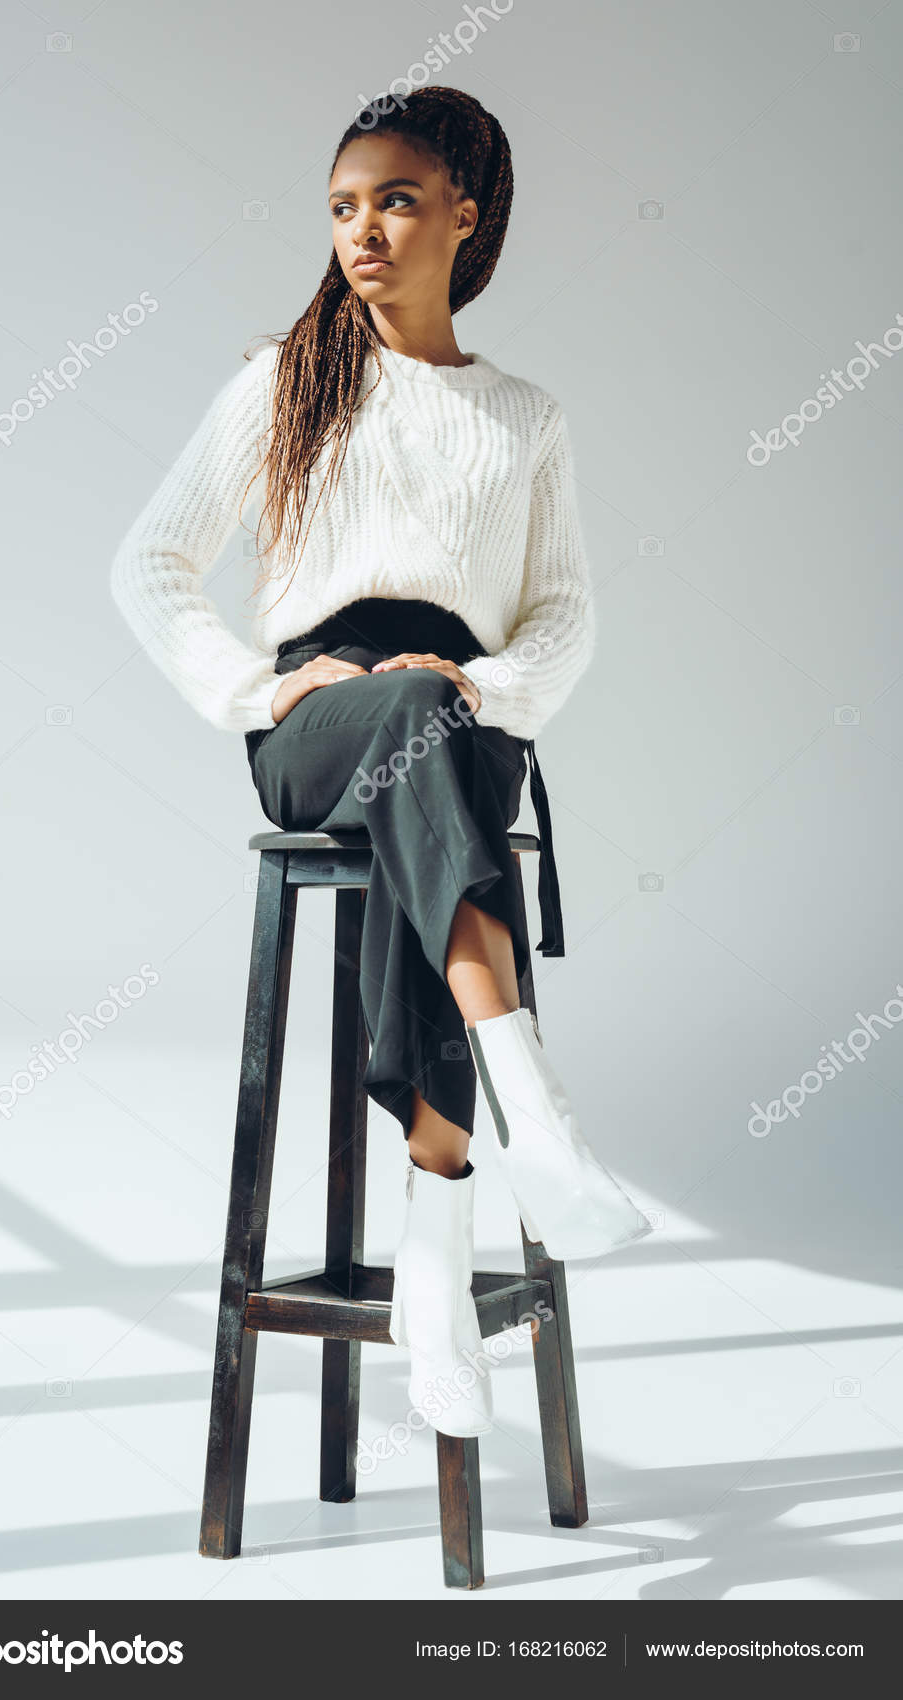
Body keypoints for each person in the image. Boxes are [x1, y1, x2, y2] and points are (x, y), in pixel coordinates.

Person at [111, 87, 651, 1443]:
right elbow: (151, 562)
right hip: (322, 730)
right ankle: (529, 1129)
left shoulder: (527, 418)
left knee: (444, 744)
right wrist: (256, 683)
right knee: (420, 728)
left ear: (465, 216)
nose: (362, 230)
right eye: (344, 205)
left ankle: (434, 1252)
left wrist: (496, 683)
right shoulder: (288, 380)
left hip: (456, 727)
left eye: (397, 200)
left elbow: (566, 611)